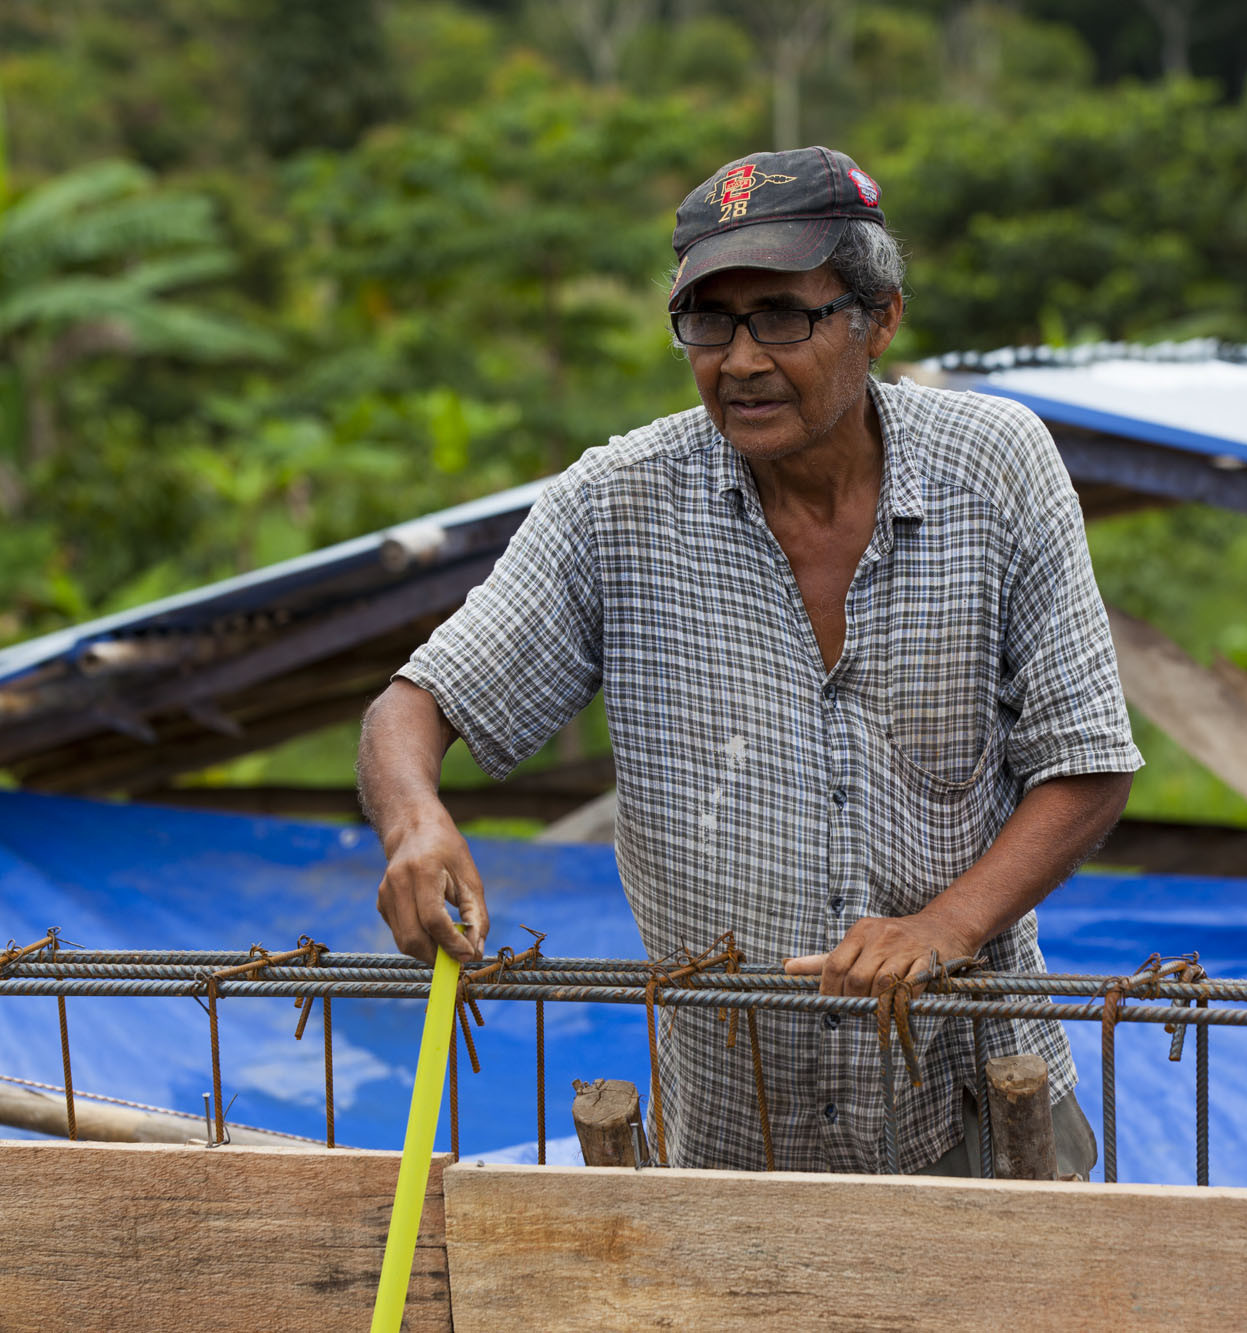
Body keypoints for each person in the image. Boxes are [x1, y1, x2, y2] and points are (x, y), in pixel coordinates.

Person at [356, 146, 1141, 1177]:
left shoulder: (994, 468)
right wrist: (413, 820)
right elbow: (412, 705)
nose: (738, 359)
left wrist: (946, 925)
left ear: (878, 319)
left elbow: (1087, 761)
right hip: (732, 1128)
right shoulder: (616, 502)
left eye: (780, 316)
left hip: (973, 1104)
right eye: (708, 322)